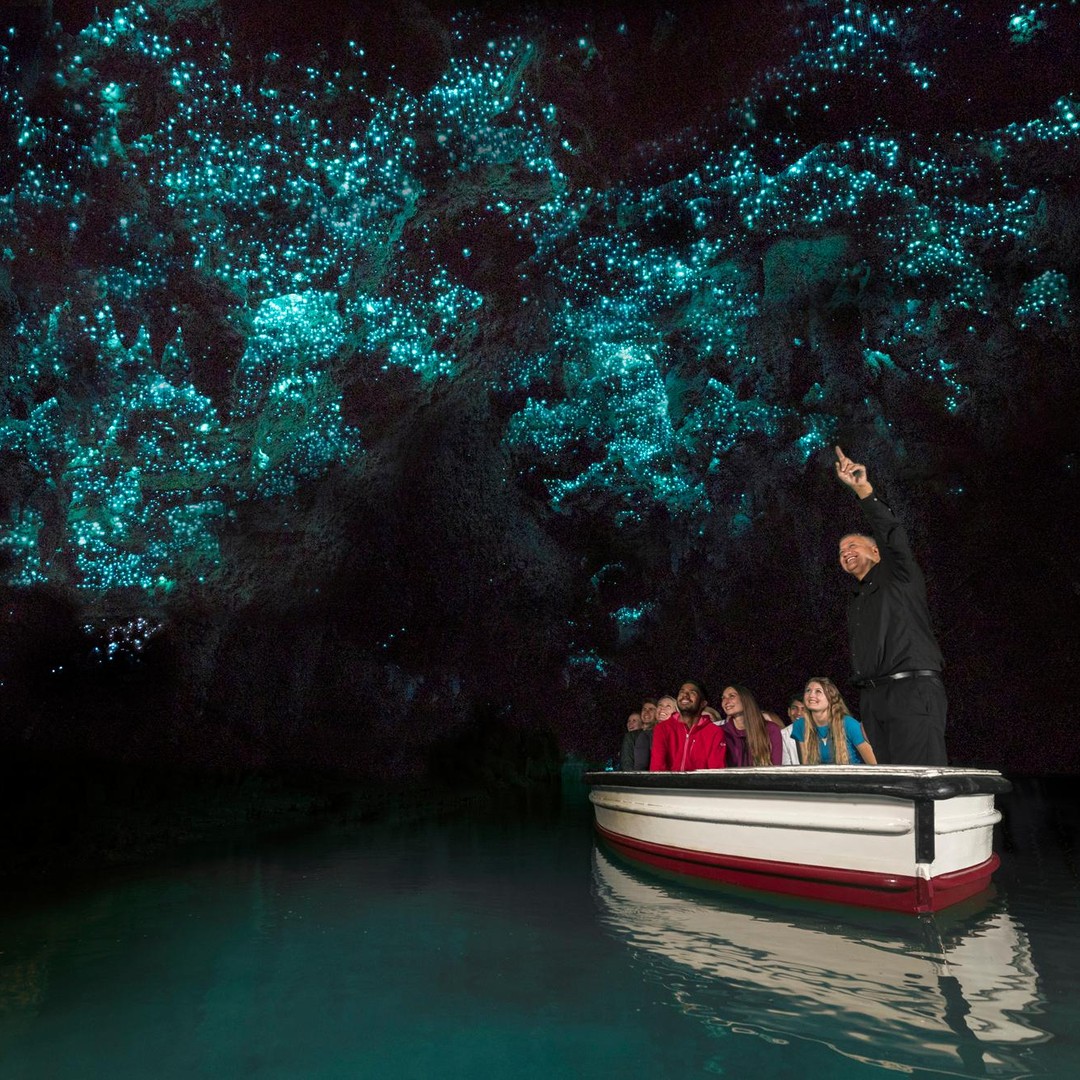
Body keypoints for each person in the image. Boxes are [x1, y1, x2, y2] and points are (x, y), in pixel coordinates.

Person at [835, 446, 948, 766]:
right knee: (890, 782)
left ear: (875, 552)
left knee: (918, 779)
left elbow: (892, 534)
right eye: (841, 552)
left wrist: (863, 490)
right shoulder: (857, 601)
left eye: (852, 545)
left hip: (911, 690)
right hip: (874, 699)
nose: (845, 553)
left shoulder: (899, 573)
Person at [791, 677, 877, 765]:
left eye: (818, 691)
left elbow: (874, 766)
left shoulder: (849, 724)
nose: (811, 695)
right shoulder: (800, 725)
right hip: (820, 778)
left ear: (831, 698)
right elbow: (805, 767)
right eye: (808, 690)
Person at [649, 681, 727, 771]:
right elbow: (657, 769)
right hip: (669, 785)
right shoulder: (663, 728)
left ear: (703, 703)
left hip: (700, 785)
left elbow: (716, 772)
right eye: (681, 692)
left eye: (692, 692)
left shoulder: (714, 732)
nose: (685, 695)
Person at [718, 685, 784, 766]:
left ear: (745, 699)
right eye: (723, 698)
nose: (726, 702)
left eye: (732, 696)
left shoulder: (770, 729)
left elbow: (775, 767)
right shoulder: (720, 732)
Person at [633, 699, 659, 770]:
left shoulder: (657, 734)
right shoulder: (633, 735)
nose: (646, 712)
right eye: (644, 709)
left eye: (651, 709)